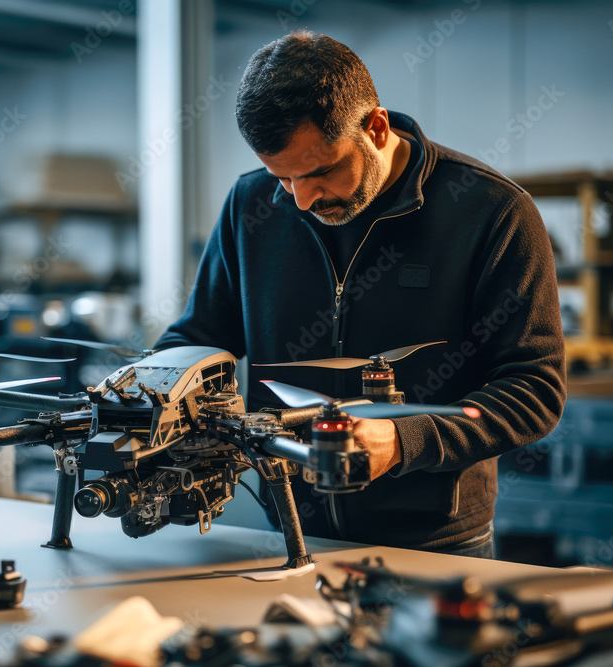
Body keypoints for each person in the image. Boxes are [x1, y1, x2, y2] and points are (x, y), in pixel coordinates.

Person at [154, 31, 566, 558]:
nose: (301, 200)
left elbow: (534, 388)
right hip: (280, 526)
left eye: (320, 172)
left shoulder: (492, 212)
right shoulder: (250, 204)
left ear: (375, 126)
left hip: (433, 541)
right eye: (283, 178)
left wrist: (402, 442)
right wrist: (147, 386)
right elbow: (200, 333)